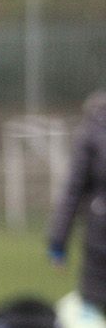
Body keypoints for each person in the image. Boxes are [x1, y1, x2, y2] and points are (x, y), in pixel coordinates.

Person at [48, 91, 106, 312]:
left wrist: (58, 240)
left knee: (95, 301)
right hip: (99, 229)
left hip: (99, 229)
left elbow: (73, 190)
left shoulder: (89, 133)